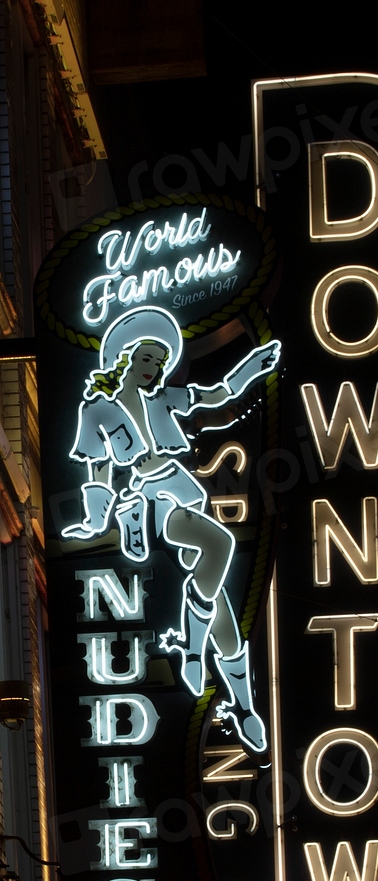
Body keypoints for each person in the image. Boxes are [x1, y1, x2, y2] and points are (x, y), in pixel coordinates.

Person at [63, 305, 280, 754]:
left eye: (159, 363)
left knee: (221, 607)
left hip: (182, 495)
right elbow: (98, 470)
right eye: (147, 359)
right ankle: (194, 650)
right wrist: (95, 520)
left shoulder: (163, 400)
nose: (153, 370)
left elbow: (215, 394)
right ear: (124, 358)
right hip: (147, 504)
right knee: (219, 542)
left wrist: (249, 371)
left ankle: (244, 707)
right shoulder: (98, 411)